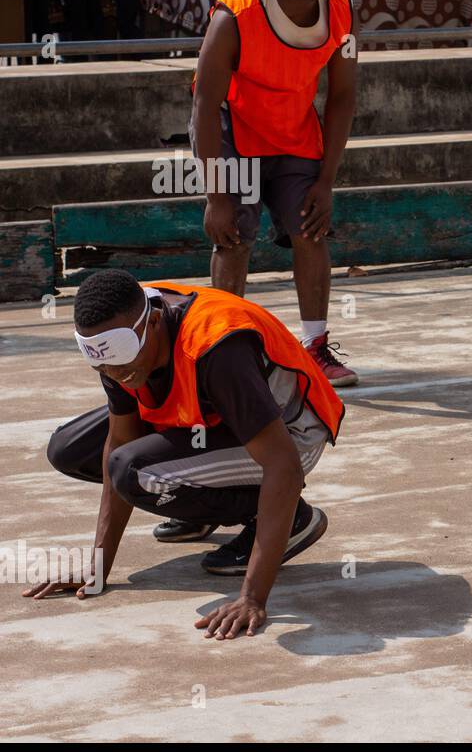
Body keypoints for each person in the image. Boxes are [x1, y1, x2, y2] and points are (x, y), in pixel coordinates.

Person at [34, 270, 341, 639]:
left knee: (135, 472)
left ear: (155, 322)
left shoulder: (218, 347)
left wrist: (252, 598)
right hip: (208, 417)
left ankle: (294, 519)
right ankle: (195, 501)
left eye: (121, 360)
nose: (115, 374)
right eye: (101, 365)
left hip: (292, 435)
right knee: (69, 450)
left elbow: (284, 466)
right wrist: (97, 567)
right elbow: (118, 440)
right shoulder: (117, 340)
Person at [190, 0, 360, 391]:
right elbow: (205, 104)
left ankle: (315, 347)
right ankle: (223, 354)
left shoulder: (342, 8)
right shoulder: (235, 14)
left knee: (311, 228)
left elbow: (343, 96)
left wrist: (326, 183)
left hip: (293, 133)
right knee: (234, 236)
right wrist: (217, 195)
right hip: (233, 131)